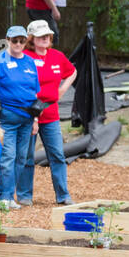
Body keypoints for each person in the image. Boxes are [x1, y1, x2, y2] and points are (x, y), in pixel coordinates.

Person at [0, 26, 41, 206]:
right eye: (14, 40)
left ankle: (11, 195)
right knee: (8, 156)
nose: (18, 44)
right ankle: (4, 197)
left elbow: (35, 93)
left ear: (26, 42)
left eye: (21, 41)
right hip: (6, 116)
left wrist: (36, 120)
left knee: (21, 158)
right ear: (7, 40)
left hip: (27, 117)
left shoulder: (30, 62)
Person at [20, 19, 76, 205]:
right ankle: (25, 195)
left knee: (57, 155)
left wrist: (62, 89)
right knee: (27, 156)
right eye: (40, 36)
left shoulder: (57, 56)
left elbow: (72, 72)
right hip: (28, 114)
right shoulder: (25, 57)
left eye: (47, 35)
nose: (45, 38)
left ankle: (63, 195)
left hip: (51, 115)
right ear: (32, 38)